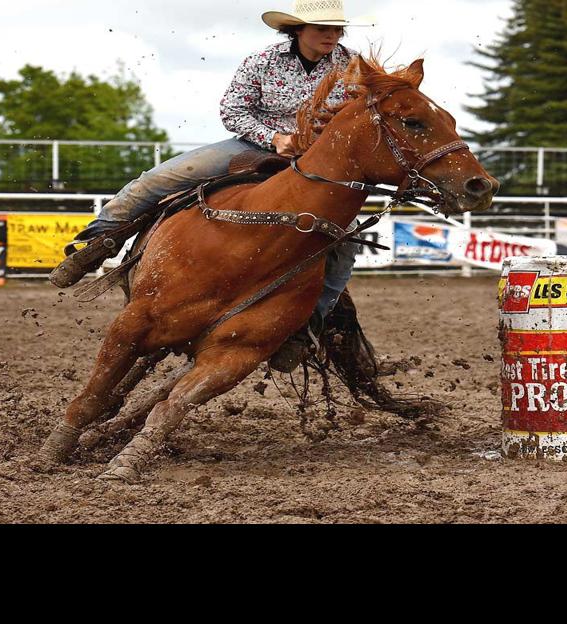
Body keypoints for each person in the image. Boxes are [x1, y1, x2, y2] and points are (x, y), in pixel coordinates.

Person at [54, 2, 368, 368]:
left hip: (317, 163)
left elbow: (368, 117)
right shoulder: (263, 61)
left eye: (336, 29)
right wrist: (274, 138)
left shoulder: (355, 68)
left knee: (346, 237)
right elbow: (232, 110)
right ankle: (96, 243)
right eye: (322, 29)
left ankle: (307, 325)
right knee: (155, 181)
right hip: (254, 147)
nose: (332, 35)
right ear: (297, 30)